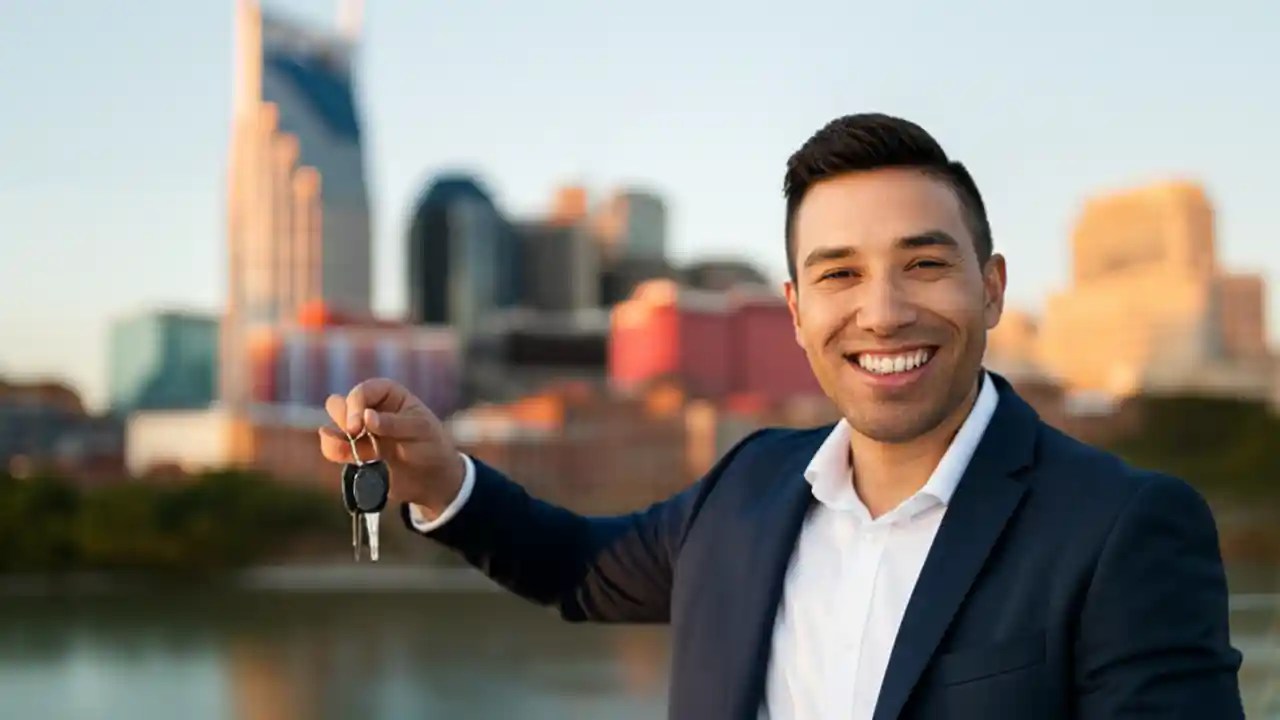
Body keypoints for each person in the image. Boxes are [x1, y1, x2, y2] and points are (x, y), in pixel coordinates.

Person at [318, 113, 1245, 719]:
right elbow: (579, 567)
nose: (882, 312)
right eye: (840, 273)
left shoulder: (1123, 528)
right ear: (798, 312)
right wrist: (442, 481)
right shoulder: (747, 485)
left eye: (923, 263)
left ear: (991, 288)